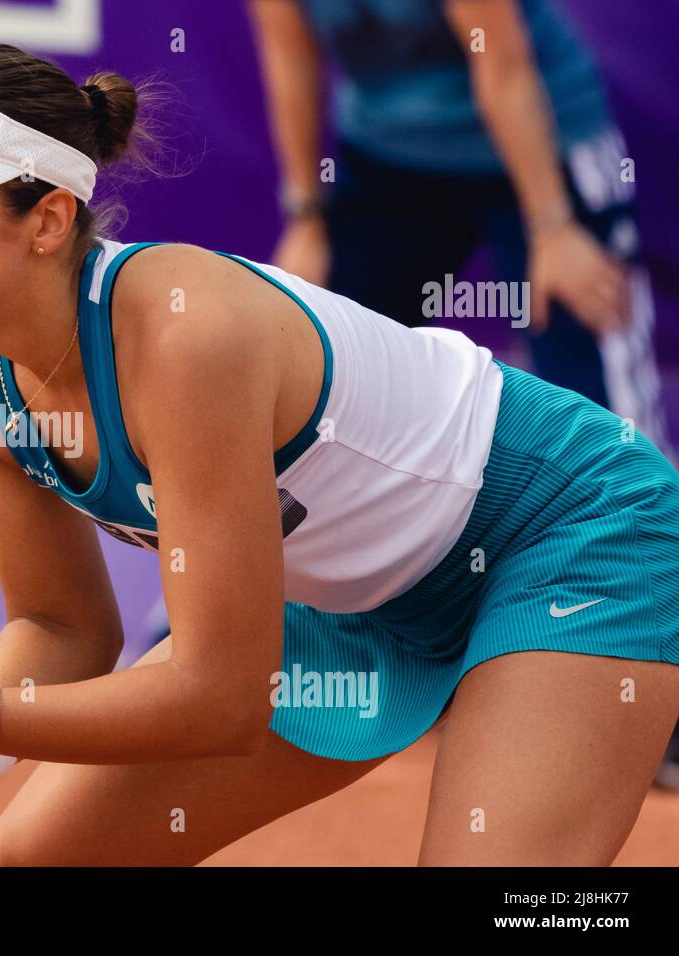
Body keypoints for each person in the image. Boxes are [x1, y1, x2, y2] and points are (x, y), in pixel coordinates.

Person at [0, 43, 679, 865]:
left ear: (48, 221)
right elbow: (62, 627)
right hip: (337, 600)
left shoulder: (185, 334)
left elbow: (219, 699)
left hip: (562, 530)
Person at [248, 0, 679, 792]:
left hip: (535, 146)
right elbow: (291, 55)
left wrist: (553, 229)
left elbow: (502, 62)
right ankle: (274, 657)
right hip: (388, 160)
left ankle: (662, 681)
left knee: (615, 426)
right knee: (313, 384)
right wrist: (306, 214)